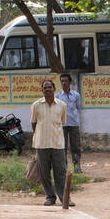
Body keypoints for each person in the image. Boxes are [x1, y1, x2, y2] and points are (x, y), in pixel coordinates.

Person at [30, 78, 67, 206]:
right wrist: (40, 136)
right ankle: (50, 197)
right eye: (44, 88)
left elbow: (62, 122)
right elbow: (34, 123)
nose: (47, 90)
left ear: (54, 89)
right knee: (44, 173)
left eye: (49, 87)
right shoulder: (36, 105)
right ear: (42, 90)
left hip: (58, 143)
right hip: (42, 144)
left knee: (60, 172)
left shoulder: (62, 105)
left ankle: (64, 197)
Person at [58, 72, 82, 173]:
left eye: (66, 81)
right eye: (62, 81)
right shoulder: (57, 96)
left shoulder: (76, 95)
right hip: (62, 124)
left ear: (70, 82)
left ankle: (77, 167)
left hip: (74, 124)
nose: (64, 83)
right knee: (62, 147)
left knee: (75, 146)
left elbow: (78, 107)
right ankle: (64, 168)